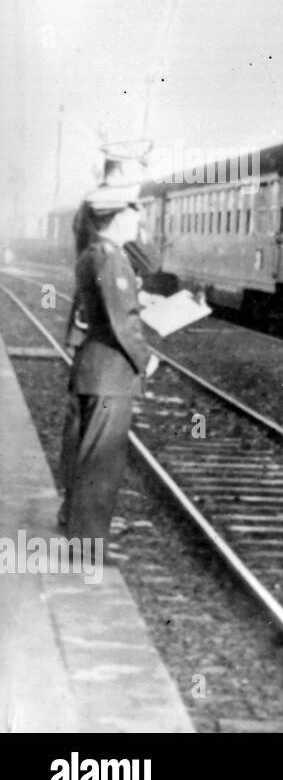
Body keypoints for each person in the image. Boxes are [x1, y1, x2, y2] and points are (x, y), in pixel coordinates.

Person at [63, 182, 159, 555]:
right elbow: (122, 320)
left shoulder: (93, 253)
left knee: (88, 457)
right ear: (118, 216)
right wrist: (145, 358)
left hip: (95, 369)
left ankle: (81, 535)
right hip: (111, 374)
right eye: (135, 212)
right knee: (101, 463)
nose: (140, 219)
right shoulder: (111, 258)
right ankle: (88, 546)